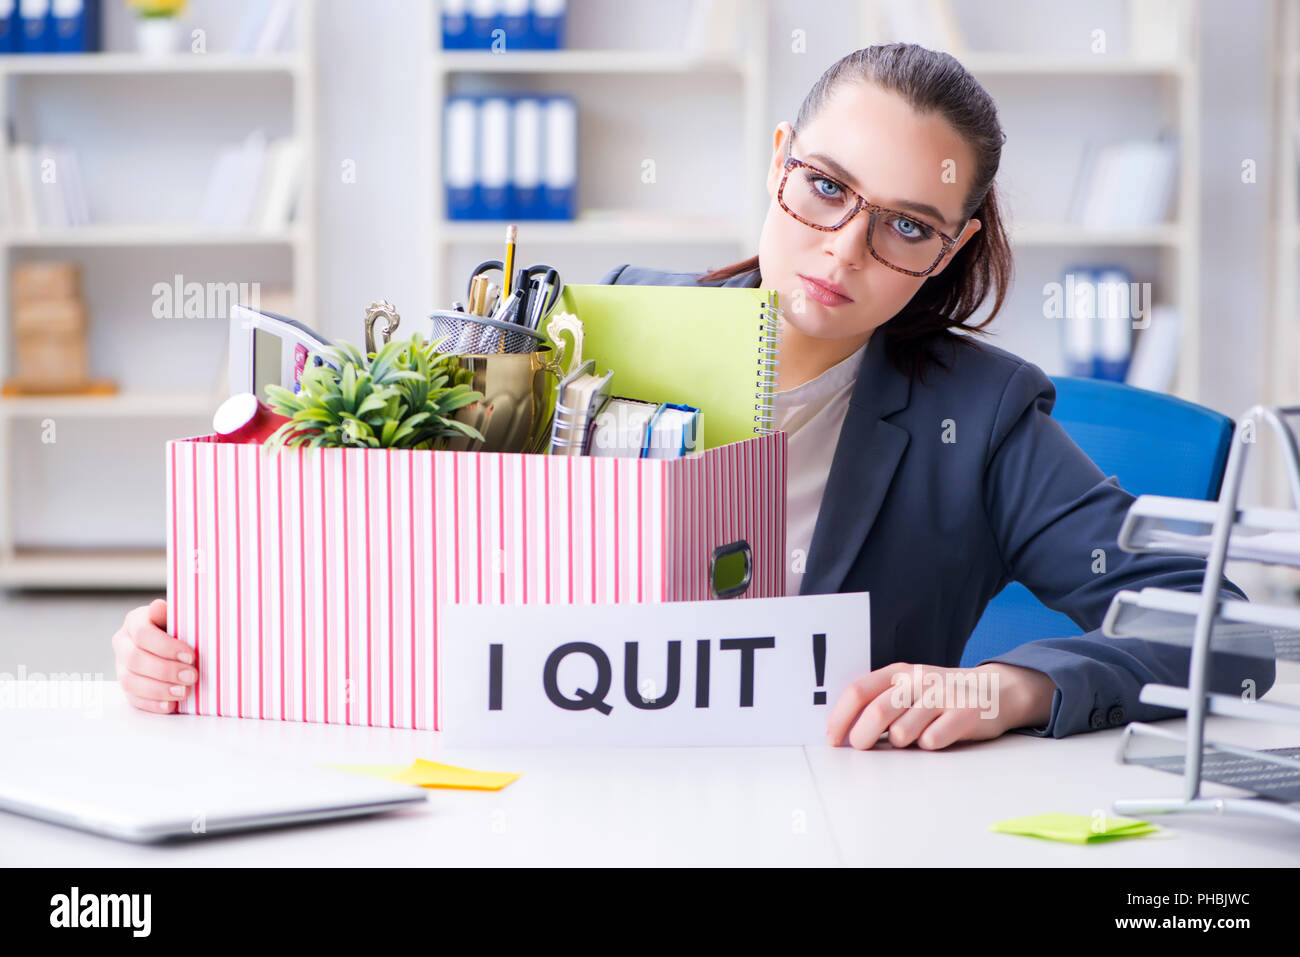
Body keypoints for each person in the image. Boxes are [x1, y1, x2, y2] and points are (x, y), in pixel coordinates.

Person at [112, 43, 1273, 750]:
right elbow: (415, 558)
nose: (843, 248)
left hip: (826, 813)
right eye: (823, 186)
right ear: (779, 160)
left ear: (949, 243)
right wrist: (204, 632)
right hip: (561, 786)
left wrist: (1009, 688)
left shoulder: (984, 416)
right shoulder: (586, 331)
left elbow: (1215, 628)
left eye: (904, 225)